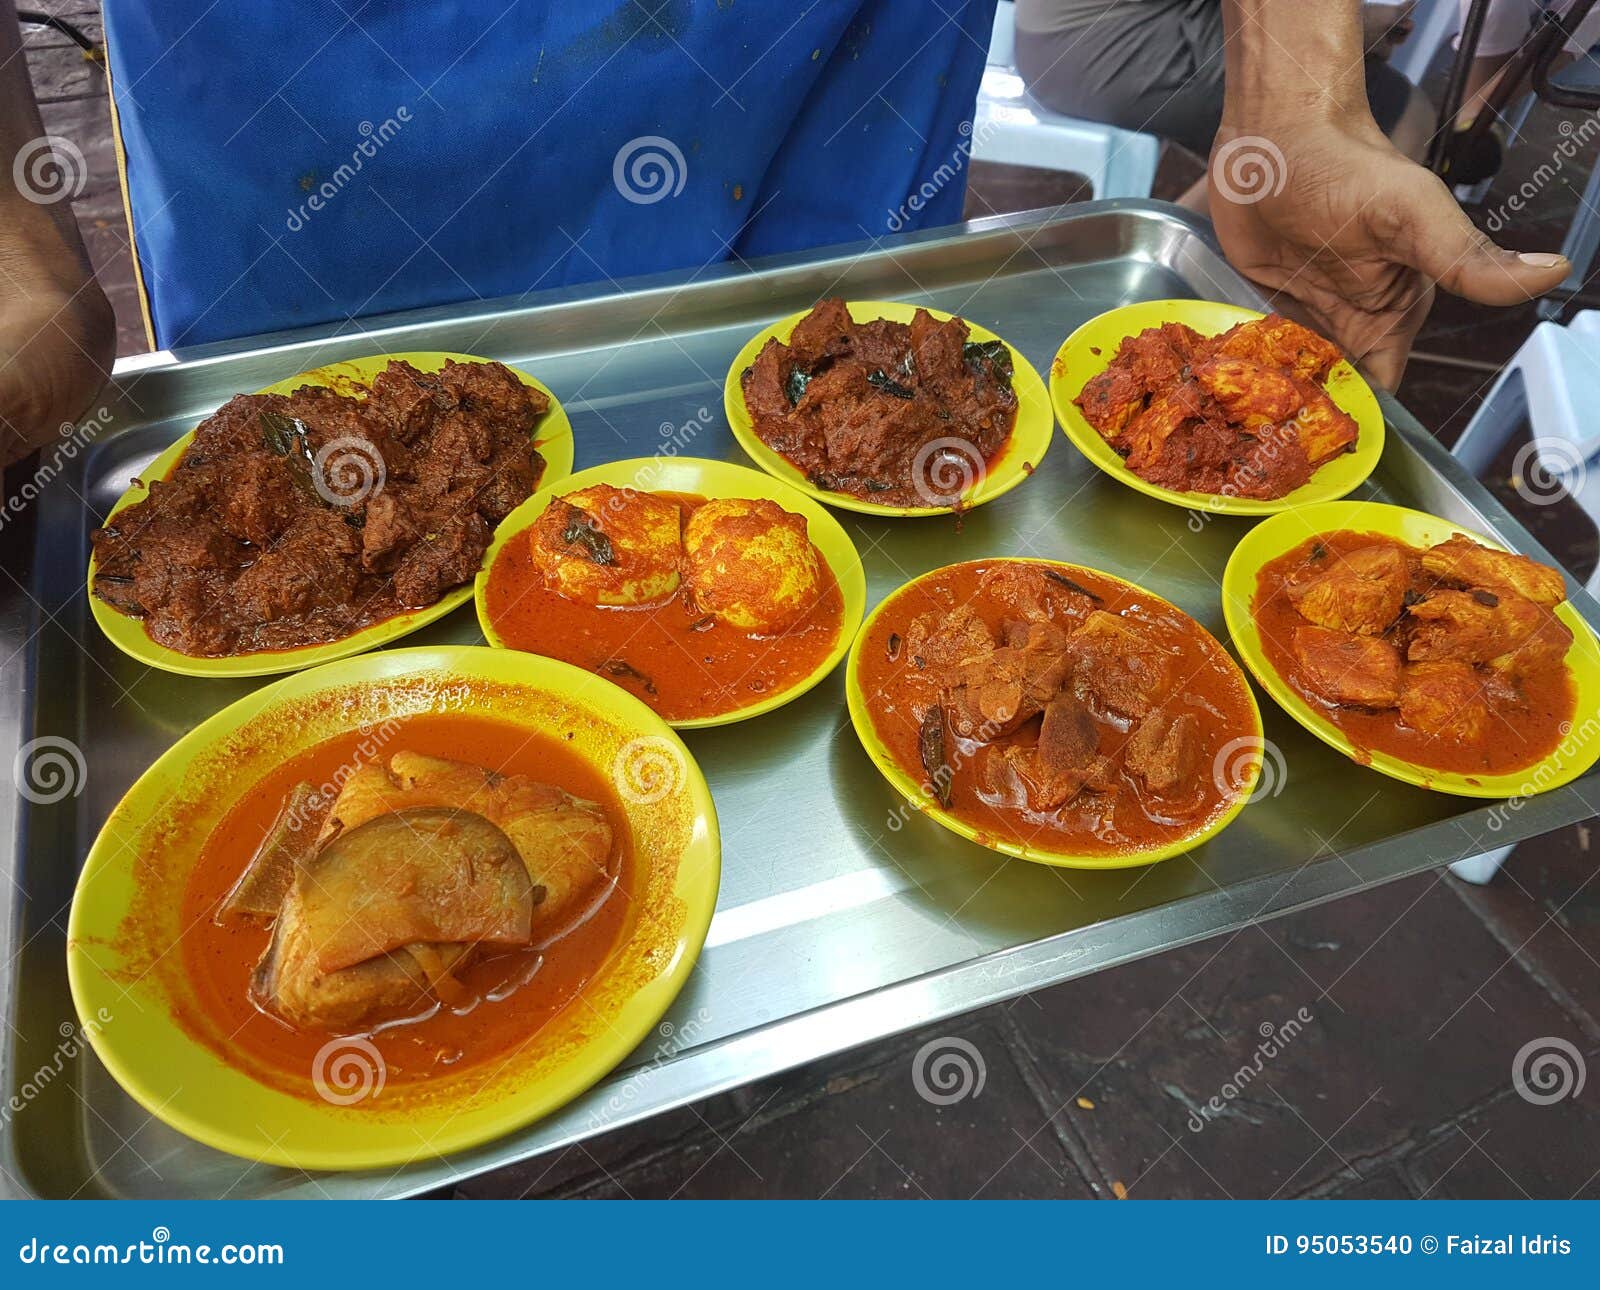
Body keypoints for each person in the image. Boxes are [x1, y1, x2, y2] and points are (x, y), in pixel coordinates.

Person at [0, 0, 1573, 473]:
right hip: (315, 94)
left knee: (846, 464)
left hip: (811, 62)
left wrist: (1287, 88)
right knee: (320, 520)